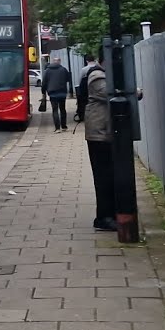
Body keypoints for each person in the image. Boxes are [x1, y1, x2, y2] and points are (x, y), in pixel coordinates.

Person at [74, 54, 115, 231]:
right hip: (98, 135)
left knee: (109, 176)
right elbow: (109, 92)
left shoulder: (103, 74)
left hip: (104, 133)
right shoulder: (97, 76)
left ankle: (109, 214)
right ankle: (104, 217)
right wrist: (133, 90)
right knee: (103, 177)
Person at [40, 57, 73, 132]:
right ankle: (64, 126)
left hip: (52, 93)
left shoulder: (48, 70)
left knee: (55, 110)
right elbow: (68, 79)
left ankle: (57, 128)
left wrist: (43, 92)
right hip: (62, 92)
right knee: (62, 109)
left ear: (53, 62)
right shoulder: (63, 69)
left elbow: (44, 82)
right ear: (60, 62)